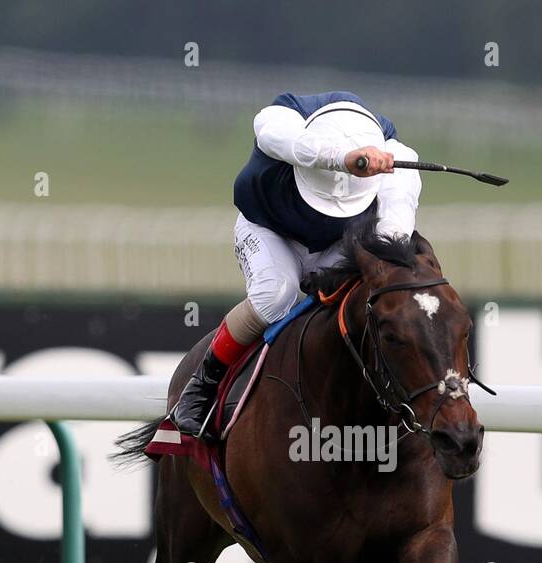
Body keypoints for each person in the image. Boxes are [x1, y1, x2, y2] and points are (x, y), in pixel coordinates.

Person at [170, 91, 422, 436]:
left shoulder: (398, 157)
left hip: (340, 241)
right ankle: (202, 386)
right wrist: (343, 159)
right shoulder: (283, 118)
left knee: (351, 306)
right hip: (267, 228)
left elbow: (394, 233)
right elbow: (284, 140)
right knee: (277, 295)